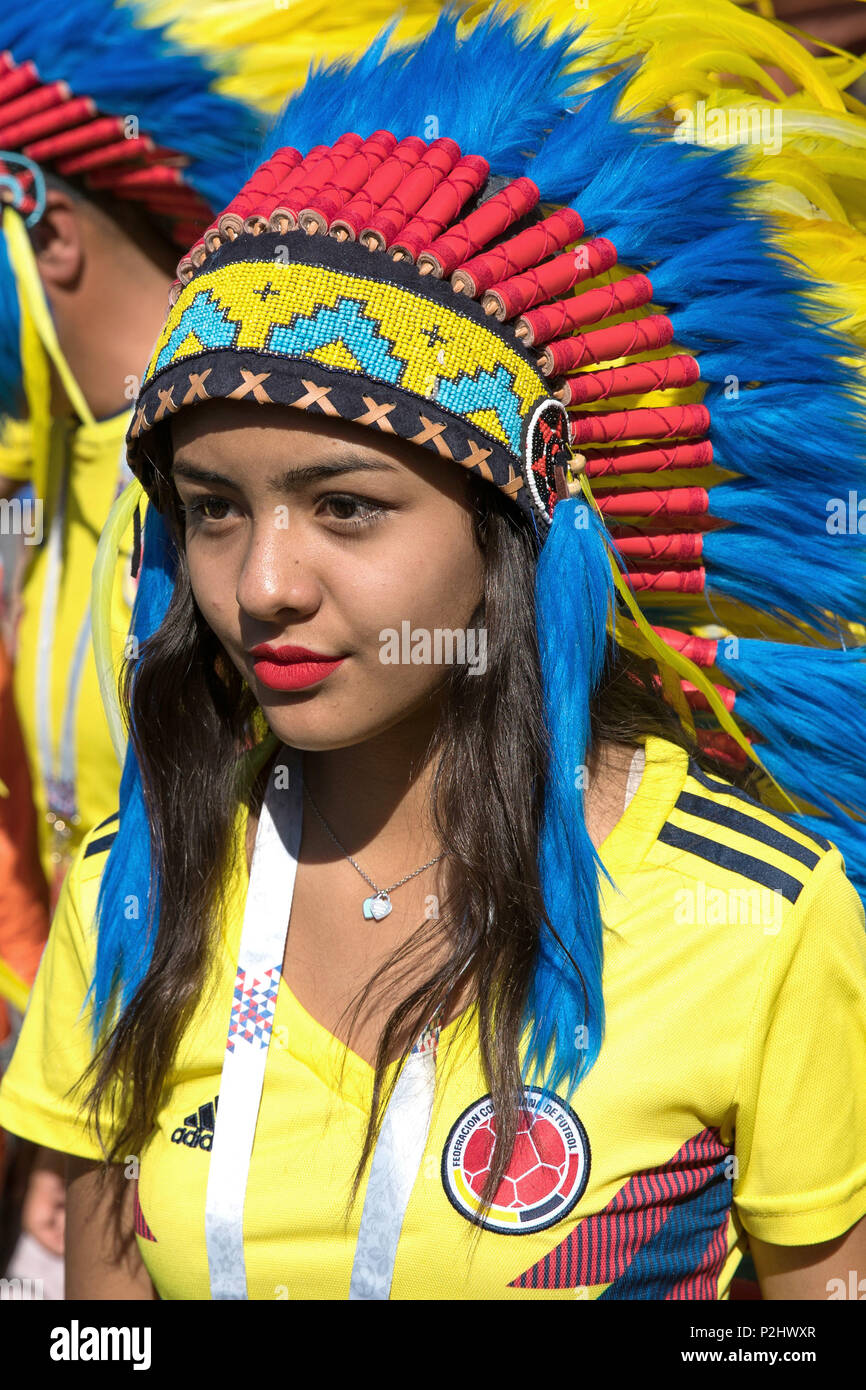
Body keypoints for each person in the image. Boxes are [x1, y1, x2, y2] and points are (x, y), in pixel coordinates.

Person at [1, 2, 865, 1301]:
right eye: (216, 509)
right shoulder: (142, 883)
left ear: (517, 522)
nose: (263, 584)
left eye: (346, 505)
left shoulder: (754, 912)